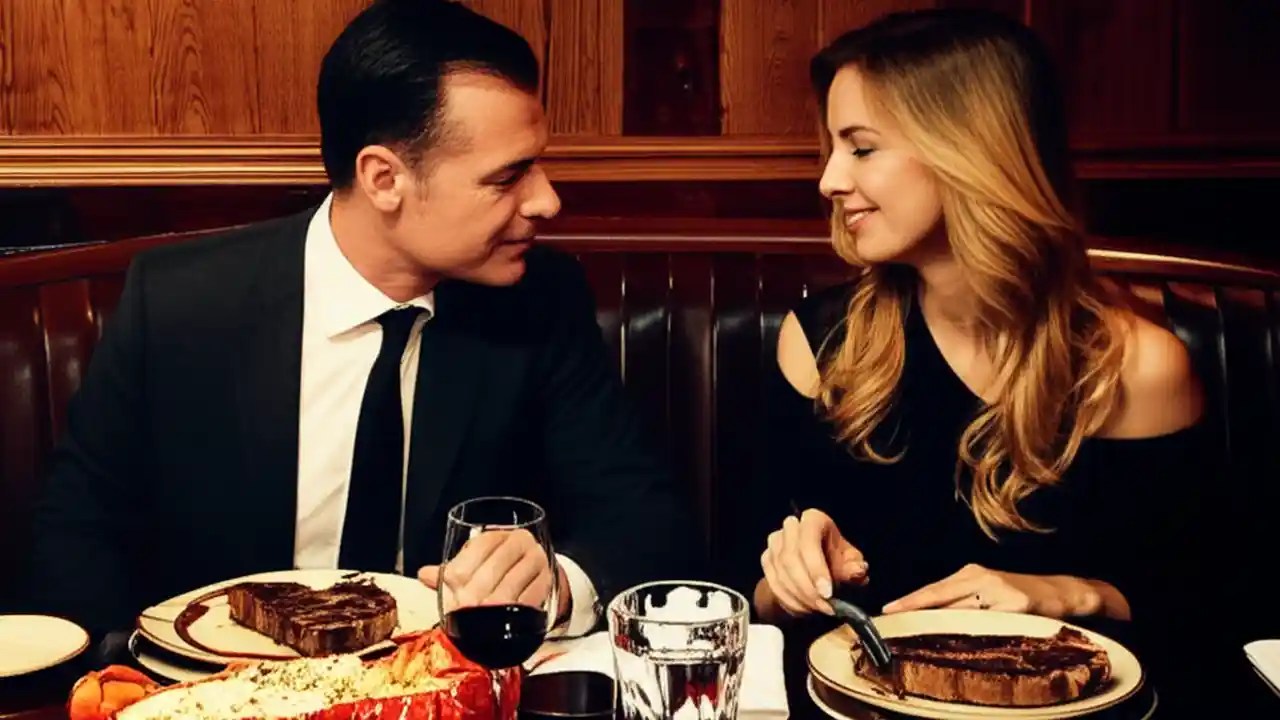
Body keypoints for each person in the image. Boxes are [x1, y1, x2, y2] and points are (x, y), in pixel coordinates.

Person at [20, 0, 694, 652]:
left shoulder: (541, 301)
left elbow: (643, 519)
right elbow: (74, 537)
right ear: (383, 178)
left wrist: (556, 583)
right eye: (507, 177)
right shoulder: (179, 303)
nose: (546, 200)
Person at [734, 7, 1215, 710]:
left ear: (970, 151)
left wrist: (1069, 596)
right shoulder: (821, 343)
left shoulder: (1137, 369)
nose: (829, 180)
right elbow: (742, 598)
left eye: (861, 148)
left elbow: (1207, 615)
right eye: (832, 147)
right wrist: (788, 583)